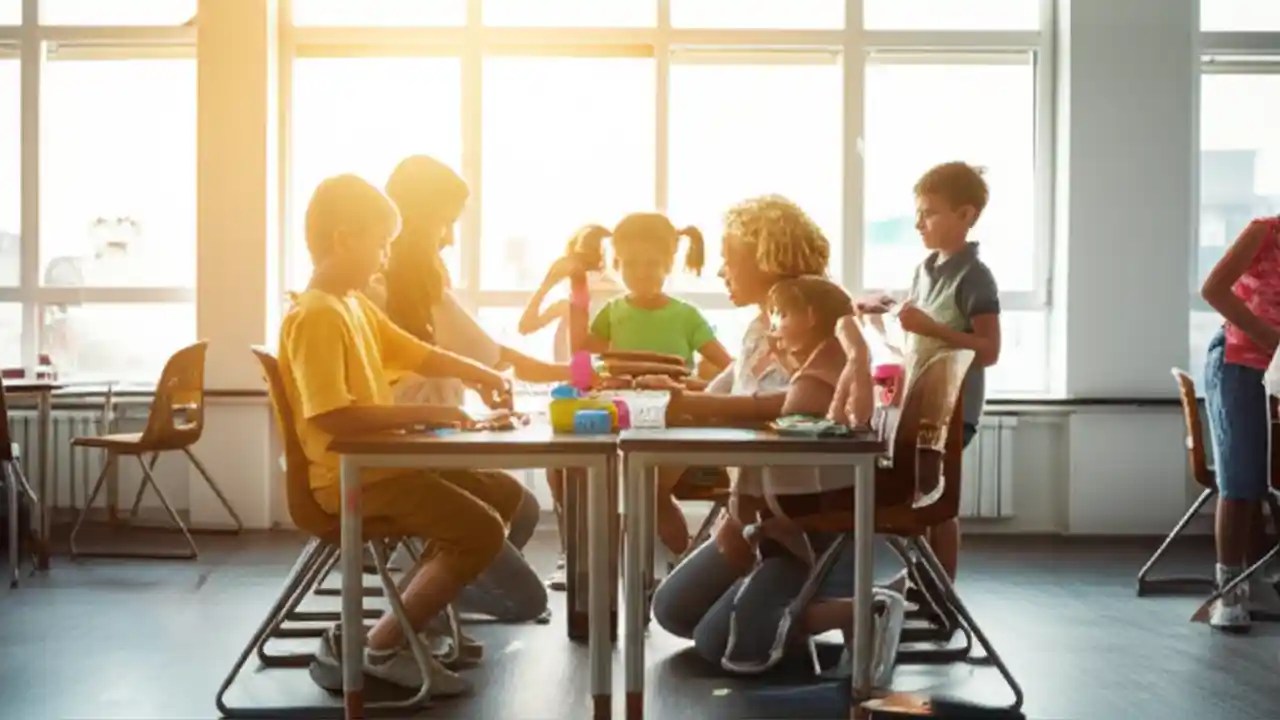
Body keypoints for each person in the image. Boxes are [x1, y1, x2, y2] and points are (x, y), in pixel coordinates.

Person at [279, 173, 512, 697]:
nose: (386, 258)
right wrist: (431, 420)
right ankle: (383, 646)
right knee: (480, 530)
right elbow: (333, 416)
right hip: (353, 478)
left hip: (377, 468)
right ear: (344, 238)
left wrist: (484, 375)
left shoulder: (353, 305)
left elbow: (418, 353)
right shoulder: (317, 315)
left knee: (497, 495)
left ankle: (405, 627)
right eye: (381, 244)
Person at [651, 194, 876, 669]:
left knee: (716, 645)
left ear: (767, 258)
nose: (720, 271)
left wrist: (689, 403)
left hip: (803, 518)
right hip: (756, 512)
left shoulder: (812, 320)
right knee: (672, 611)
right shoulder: (762, 324)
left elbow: (788, 407)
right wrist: (668, 393)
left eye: (729, 260)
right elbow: (727, 388)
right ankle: (766, 609)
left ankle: (853, 611)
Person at [373, 154, 565, 625]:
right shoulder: (384, 292)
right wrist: (573, 374)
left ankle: (434, 591)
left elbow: (479, 355)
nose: (451, 238)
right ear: (416, 219)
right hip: (406, 459)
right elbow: (488, 354)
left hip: (425, 450)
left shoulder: (412, 287)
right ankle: (417, 606)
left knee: (521, 507)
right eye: (446, 223)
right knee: (528, 602)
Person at [527, 214, 733, 556]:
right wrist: (575, 286)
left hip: (671, 422)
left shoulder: (686, 316)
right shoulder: (612, 311)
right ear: (617, 264)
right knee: (569, 474)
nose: (641, 272)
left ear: (669, 265)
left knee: (651, 493)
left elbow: (729, 371)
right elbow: (580, 348)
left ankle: (680, 566)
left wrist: (687, 384)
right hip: (619, 419)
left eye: (652, 264)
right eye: (632, 264)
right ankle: (594, 568)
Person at [712, 276, 874, 673]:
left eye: (781, 315)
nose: (774, 325)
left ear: (811, 316)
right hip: (823, 498)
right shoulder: (832, 356)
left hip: (805, 511)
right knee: (708, 630)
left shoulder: (818, 373)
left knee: (728, 642)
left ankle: (863, 610)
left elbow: (794, 419)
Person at [856, 161, 1001, 582]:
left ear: (966, 216)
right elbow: (916, 322)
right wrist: (884, 304)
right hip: (918, 411)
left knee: (936, 498)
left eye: (930, 212)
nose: (919, 222)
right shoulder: (924, 269)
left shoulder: (976, 277)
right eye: (918, 212)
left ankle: (943, 594)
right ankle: (921, 586)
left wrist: (932, 328)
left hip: (952, 415)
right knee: (916, 489)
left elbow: (989, 351)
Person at [1200, 214, 1280, 632]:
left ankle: (1264, 577)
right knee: (1242, 477)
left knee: (1271, 477)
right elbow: (1213, 289)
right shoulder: (1264, 232)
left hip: (1279, 369)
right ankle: (1228, 592)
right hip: (1239, 361)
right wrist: (1270, 337)